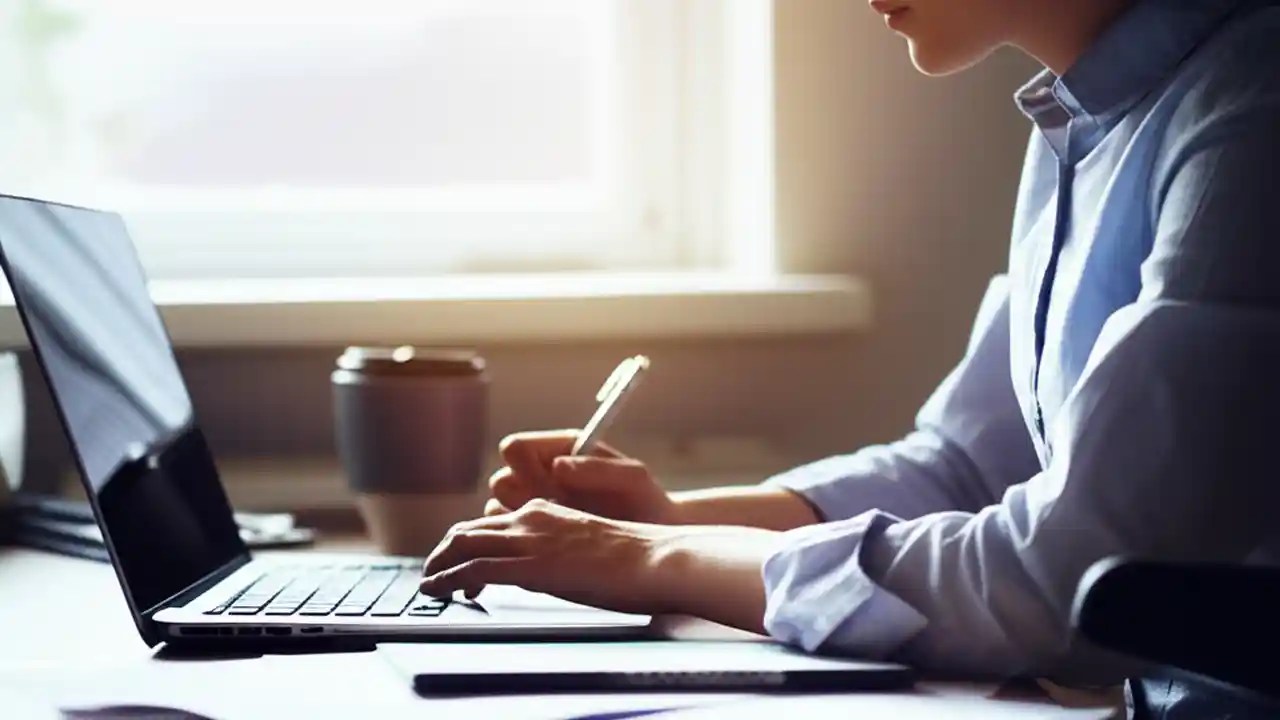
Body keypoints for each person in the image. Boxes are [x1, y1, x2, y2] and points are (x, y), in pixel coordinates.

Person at [420, 0, 1280, 716]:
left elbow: (1062, 580)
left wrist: (648, 560)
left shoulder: (1252, 111)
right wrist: (674, 521)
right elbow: (967, 469)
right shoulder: (1091, 120)